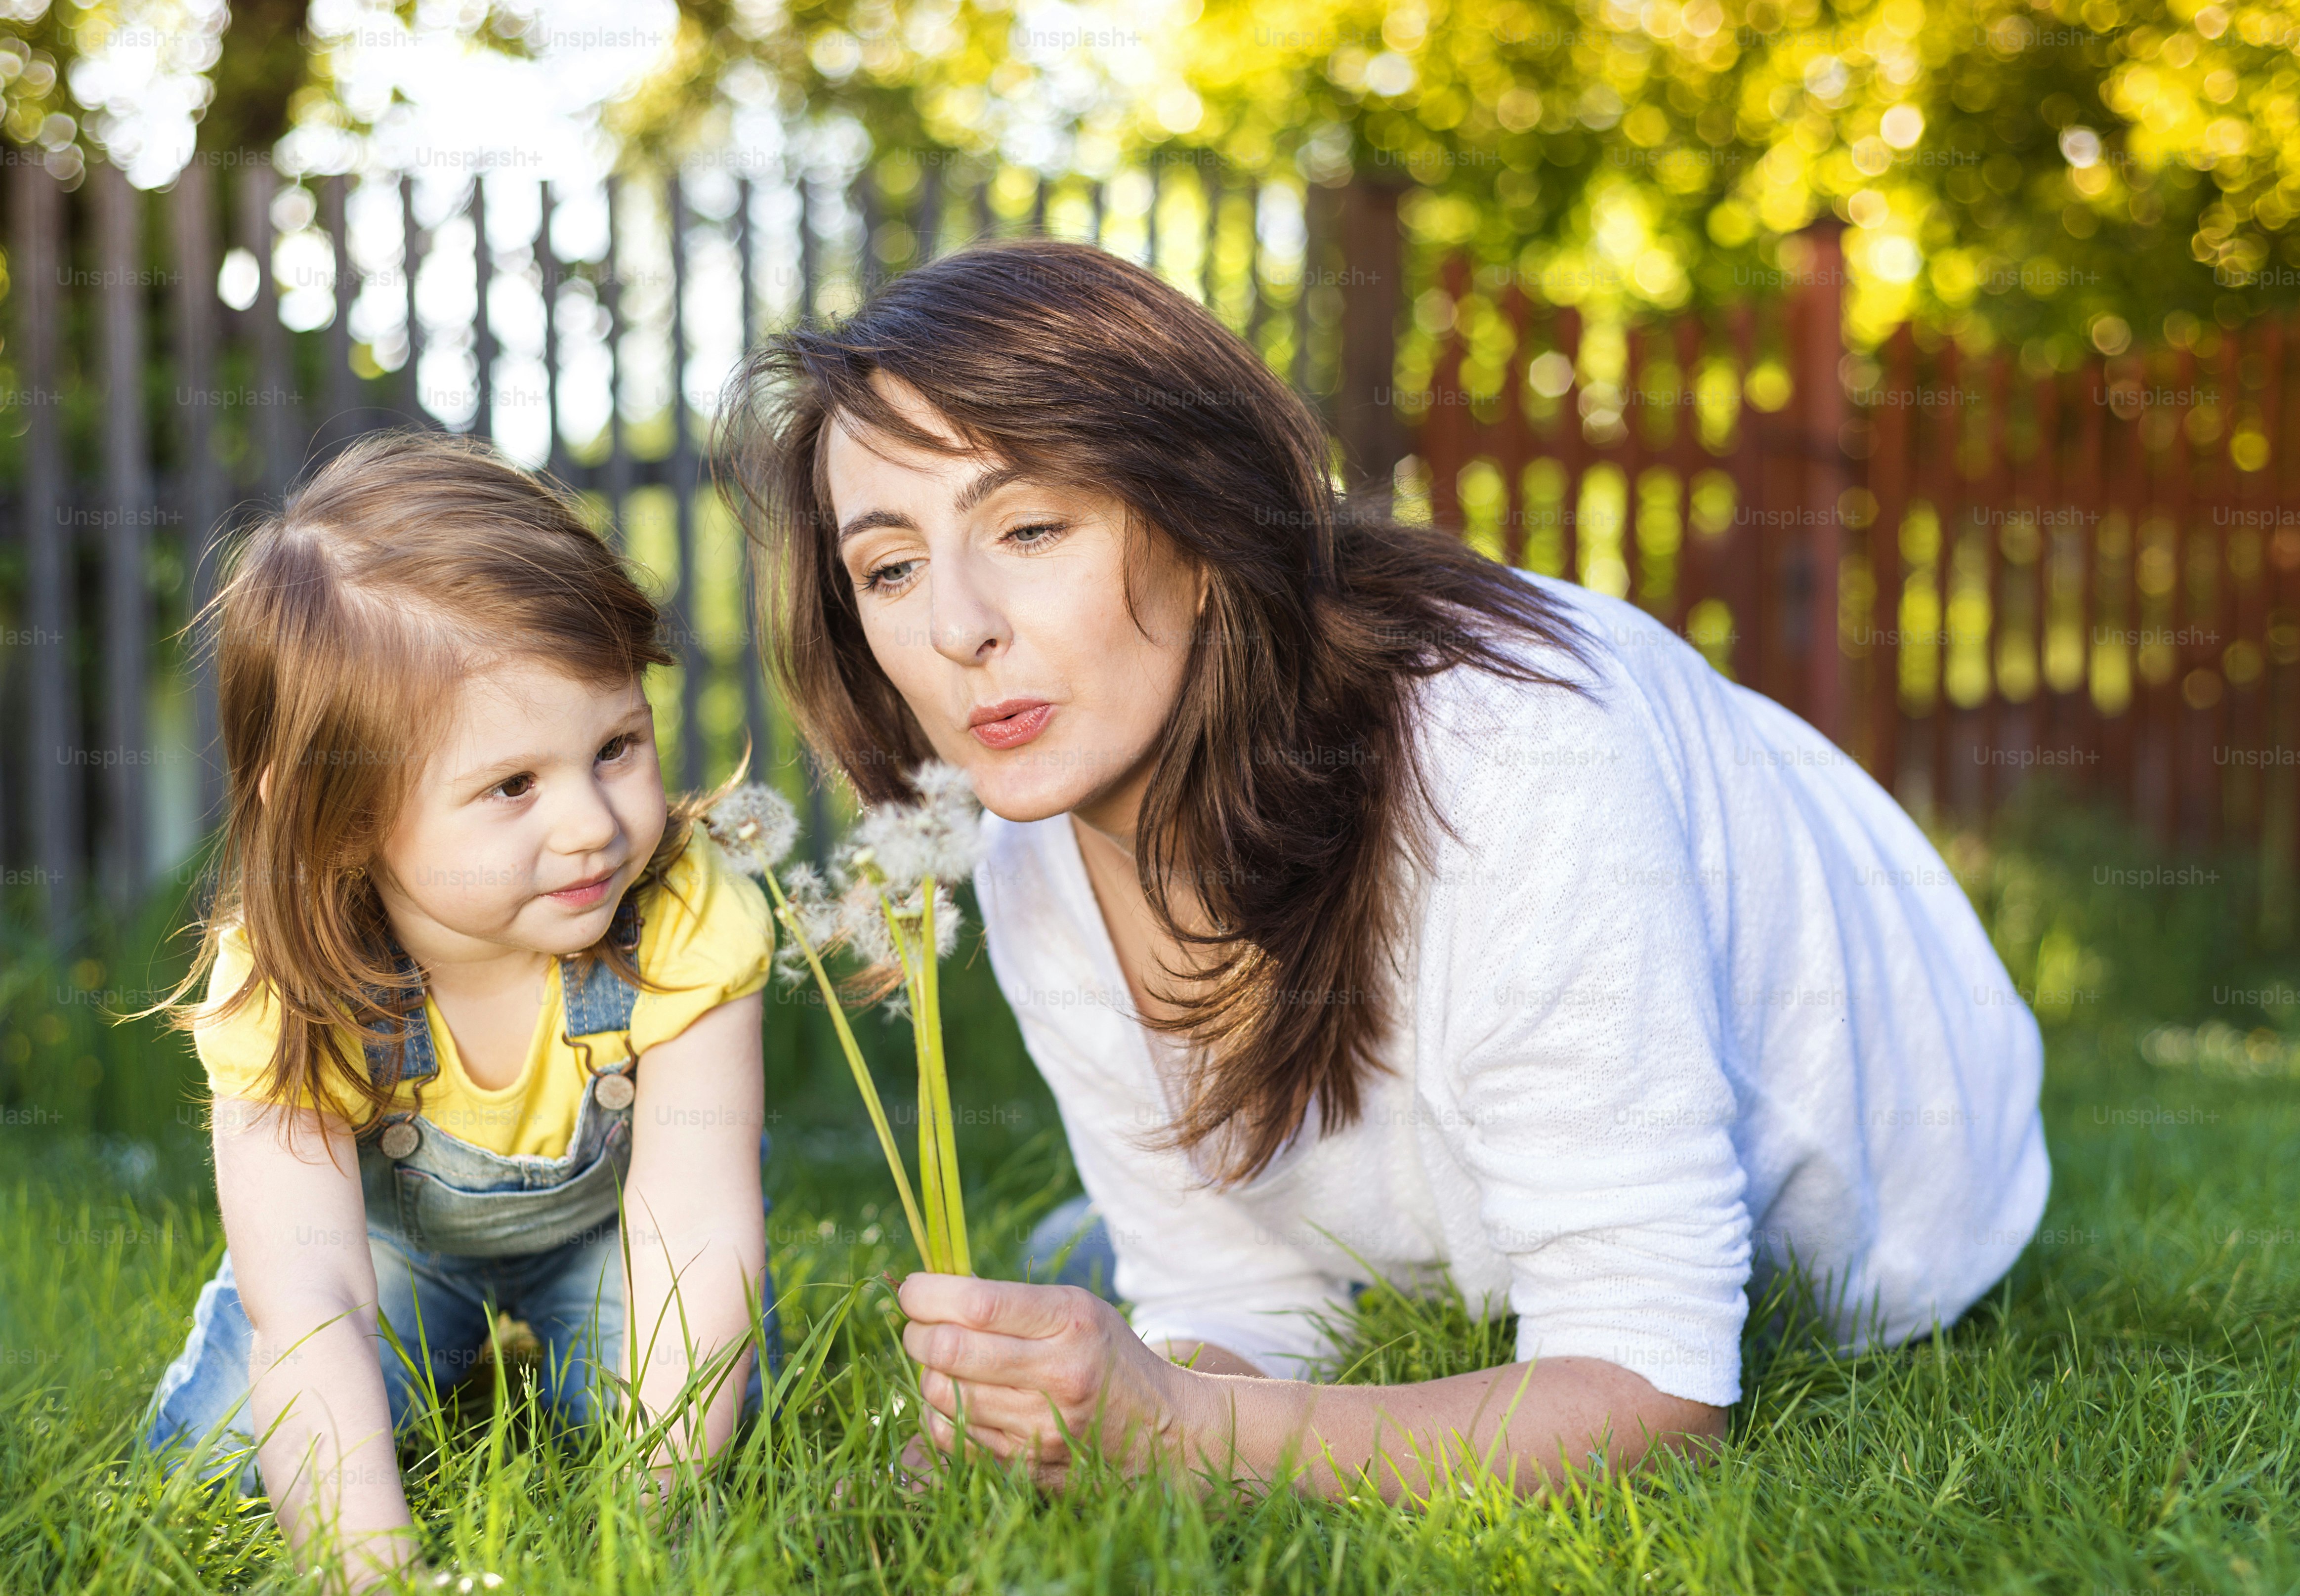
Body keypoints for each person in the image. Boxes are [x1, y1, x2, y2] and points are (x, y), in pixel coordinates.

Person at [727, 238, 2050, 1500]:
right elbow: (1235, 1304)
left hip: (1902, 1192)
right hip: (1469, 1165)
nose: (957, 624)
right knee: (1117, 1280)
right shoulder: (1026, 847)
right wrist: (1088, 1425)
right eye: (891, 566)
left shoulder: (1520, 757)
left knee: (1112, 1268)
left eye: (1029, 530)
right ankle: (1102, 1235)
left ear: (1200, 528)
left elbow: (1654, 1386)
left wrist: (1182, 1425)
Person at [141, 432, 781, 1585]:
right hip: (379, 1252)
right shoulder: (287, 980)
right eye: (512, 786)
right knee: (224, 1454)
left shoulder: (685, 915)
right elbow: (313, 1296)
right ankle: (451, 1353)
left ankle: (541, 1361)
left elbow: (694, 1227)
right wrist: (370, 1566)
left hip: (617, 1234)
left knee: (733, 1408)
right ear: (339, 818)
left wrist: (650, 1515)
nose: (591, 822)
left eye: (616, 744)